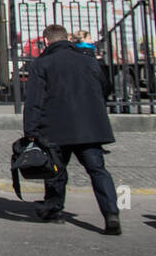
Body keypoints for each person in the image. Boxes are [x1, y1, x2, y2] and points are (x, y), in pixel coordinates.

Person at [22, 23, 121, 235]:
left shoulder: (42, 64)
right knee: (98, 170)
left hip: (56, 128)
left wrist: (30, 130)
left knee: (56, 170)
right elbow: (105, 87)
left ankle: (54, 210)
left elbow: (34, 100)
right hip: (89, 127)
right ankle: (111, 213)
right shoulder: (88, 60)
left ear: (46, 41)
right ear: (67, 38)